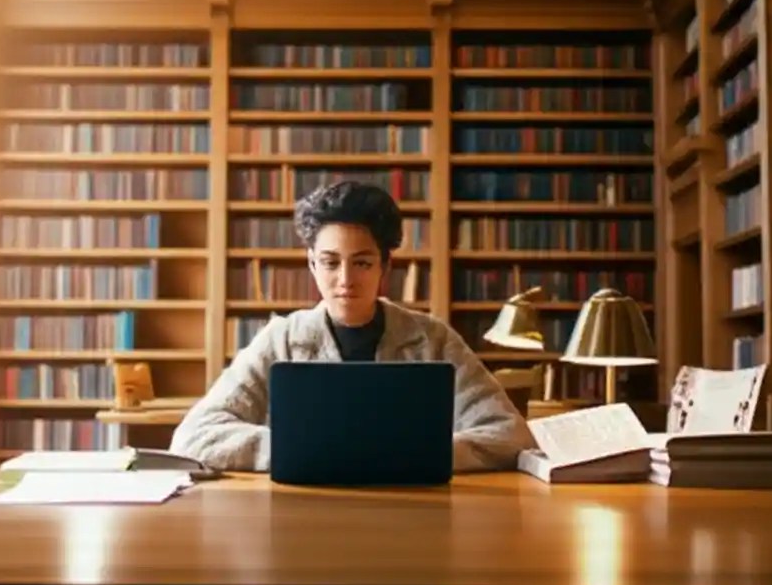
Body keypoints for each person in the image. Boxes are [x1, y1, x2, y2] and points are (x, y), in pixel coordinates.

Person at [168, 180, 535, 472]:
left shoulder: (432, 338)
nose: (345, 280)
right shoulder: (280, 339)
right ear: (312, 264)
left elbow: (510, 435)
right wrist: (301, 450)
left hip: (413, 517)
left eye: (361, 263)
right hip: (300, 519)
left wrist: (418, 455)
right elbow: (195, 438)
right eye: (330, 263)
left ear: (384, 266)